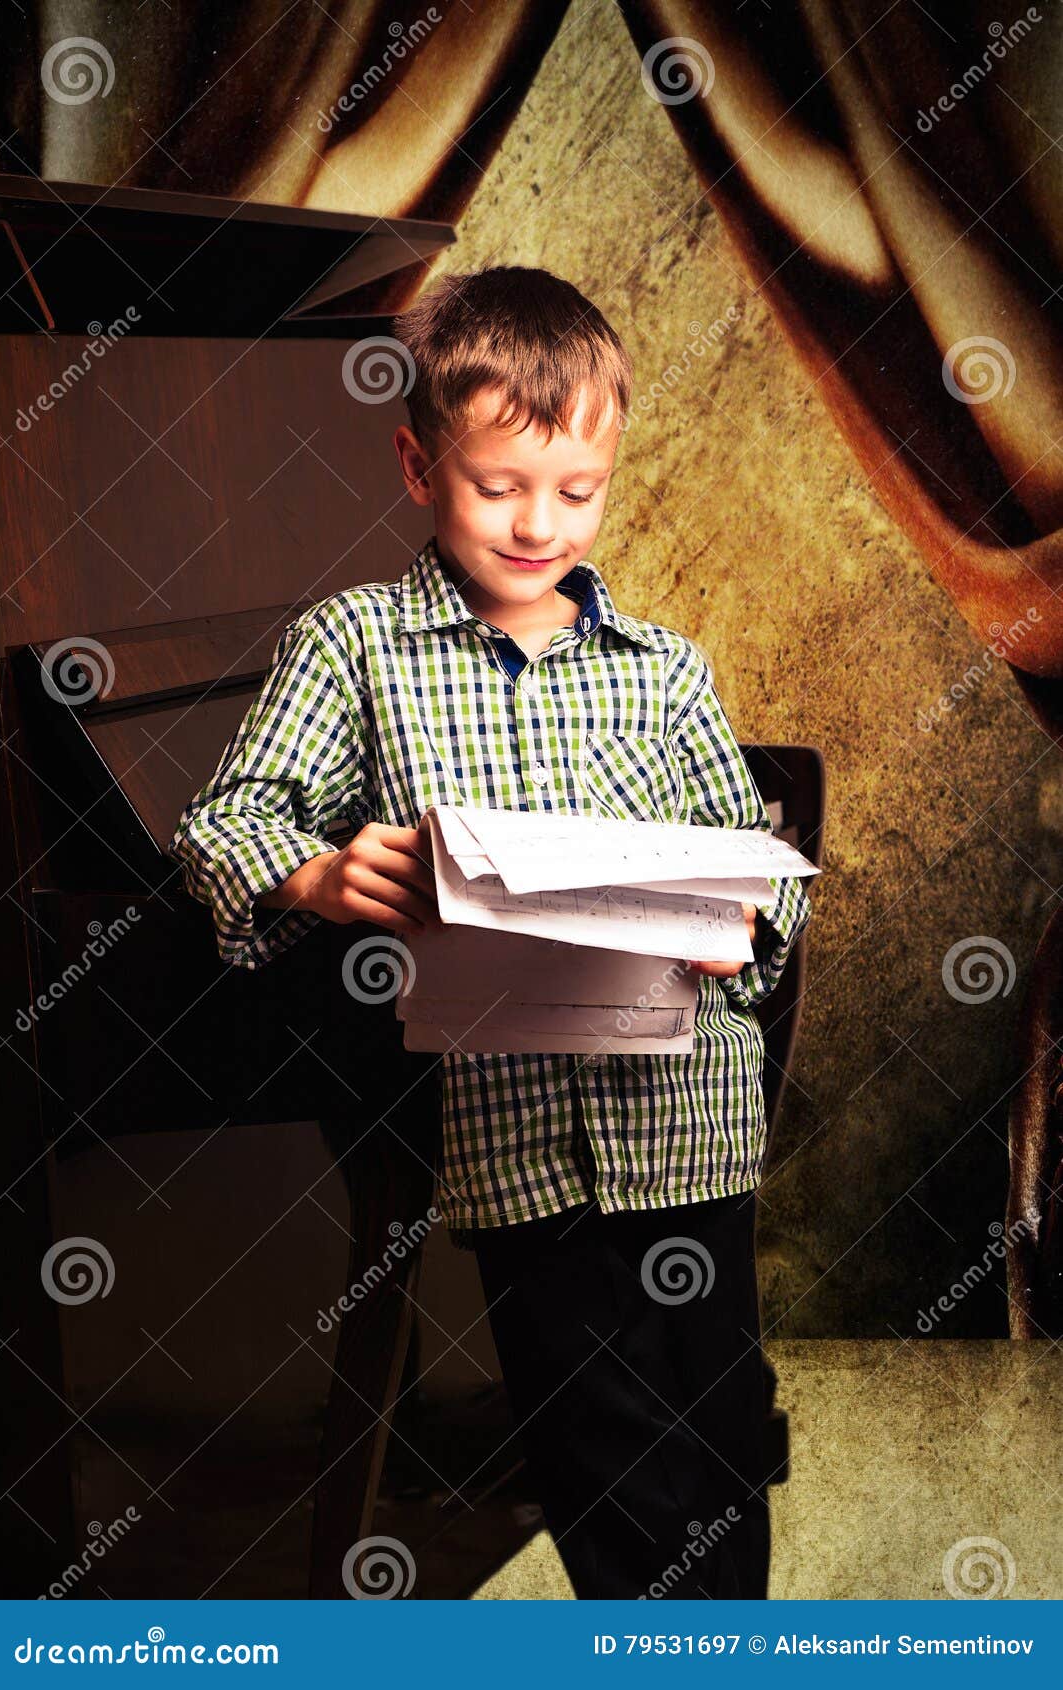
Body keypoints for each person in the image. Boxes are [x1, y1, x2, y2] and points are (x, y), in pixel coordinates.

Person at [167, 264, 814, 1600]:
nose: (538, 523)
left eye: (575, 491)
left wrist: (741, 916)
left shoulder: (666, 668)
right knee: (604, 1447)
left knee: (719, 1434)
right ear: (417, 463)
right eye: (497, 484)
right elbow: (223, 820)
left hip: (689, 1116)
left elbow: (765, 868)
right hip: (518, 1134)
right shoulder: (356, 648)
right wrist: (318, 871)